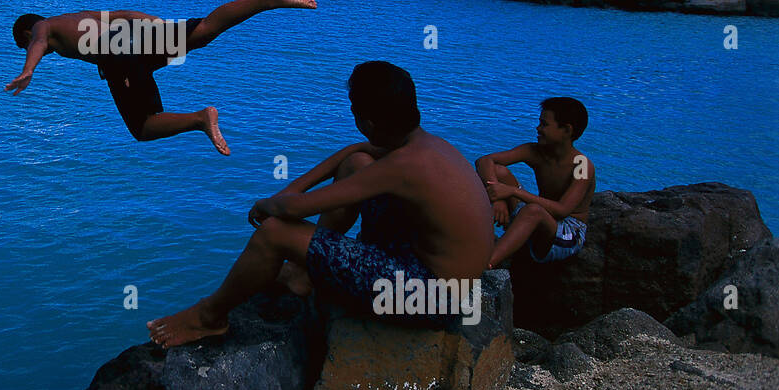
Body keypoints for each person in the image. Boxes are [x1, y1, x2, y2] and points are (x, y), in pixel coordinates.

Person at [146, 62, 494, 347]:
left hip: (428, 299)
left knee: (275, 234)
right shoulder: (426, 147)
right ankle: (303, 272)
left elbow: (294, 212)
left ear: (366, 121)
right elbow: (351, 155)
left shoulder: (405, 166)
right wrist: (288, 192)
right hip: (440, 281)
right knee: (356, 163)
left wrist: (270, 205)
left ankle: (209, 317)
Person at [6, 0, 316, 155]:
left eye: (25, 42)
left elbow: (38, 42)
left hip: (120, 54)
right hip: (135, 39)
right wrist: (160, 26)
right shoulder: (78, 16)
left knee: (143, 127)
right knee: (205, 30)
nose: (41, 50)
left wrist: (28, 68)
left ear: (25, 32)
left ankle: (199, 119)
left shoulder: (41, 28)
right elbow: (124, 14)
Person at [476, 97, 594, 268]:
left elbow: (562, 210)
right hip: (538, 220)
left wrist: (512, 191)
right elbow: (485, 161)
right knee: (499, 171)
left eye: (544, 124)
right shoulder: (535, 151)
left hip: (567, 234)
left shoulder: (581, 165)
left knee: (533, 211)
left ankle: (486, 263)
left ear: (567, 130)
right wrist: (497, 199)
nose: (538, 128)